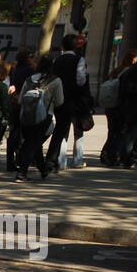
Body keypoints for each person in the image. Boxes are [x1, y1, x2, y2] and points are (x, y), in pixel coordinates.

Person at [15, 51, 63, 181]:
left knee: (32, 142)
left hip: (26, 115)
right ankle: (22, 172)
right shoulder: (55, 81)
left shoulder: (29, 79)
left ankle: (42, 169)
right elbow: (59, 101)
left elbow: (20, 100)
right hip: (44, 116)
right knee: (32, 143)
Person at [48, 35, 88, 172]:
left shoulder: (56, 60)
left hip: (58, 99)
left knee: (61, 129)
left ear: (62, 47)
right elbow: (81, 80)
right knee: (75, 129)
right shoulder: (79, 60)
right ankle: (73, 159)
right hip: (74, 99)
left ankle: (60, 160)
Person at [6, 49, 35, 171]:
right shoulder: (30, 71)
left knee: (14, 132)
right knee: (26, 133)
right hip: (26, 103)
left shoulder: (14, 70)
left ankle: (10, 160)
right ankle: (21, 159)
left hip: (15, 102)